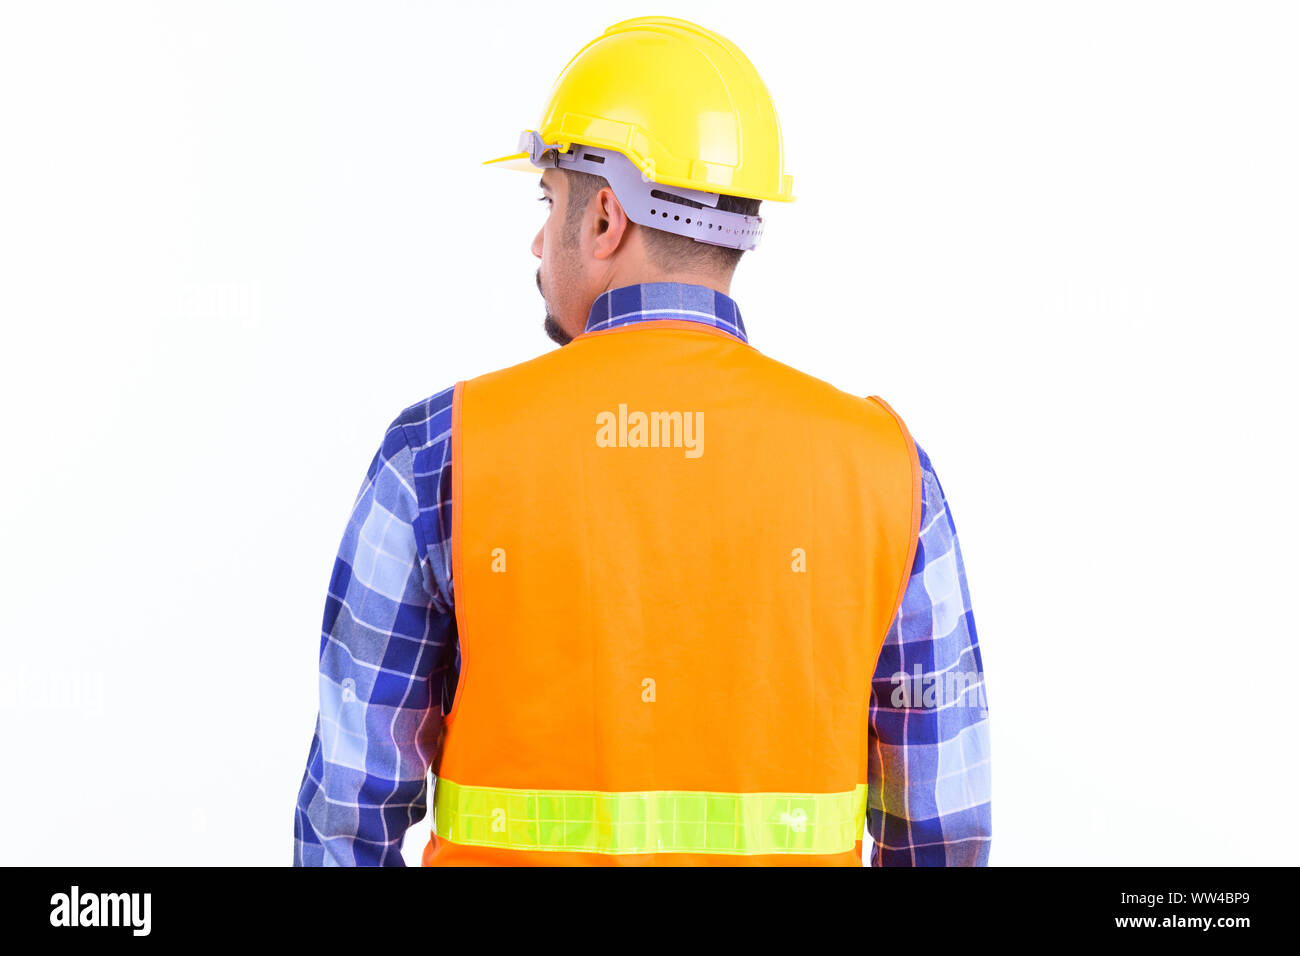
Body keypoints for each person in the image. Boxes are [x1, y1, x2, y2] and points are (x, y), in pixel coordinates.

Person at [293, 15, 991, 866]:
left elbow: (345, 820)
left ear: (606, 220)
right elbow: (943, 833)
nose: (537, 239)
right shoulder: (886, 471)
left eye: (548, 203)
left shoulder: (439, 452)